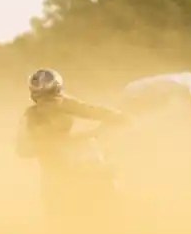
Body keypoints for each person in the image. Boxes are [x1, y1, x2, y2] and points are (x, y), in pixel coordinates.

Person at [16, 68, 127, 218]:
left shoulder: (65, 104)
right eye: (44, 98)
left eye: (50, 97)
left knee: (110, 187)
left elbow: (91, 110)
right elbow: (22, 149)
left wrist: (117, 117)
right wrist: (46, 144)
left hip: (79, 168)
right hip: (56, 177)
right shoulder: (30, 116)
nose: (49, 104)